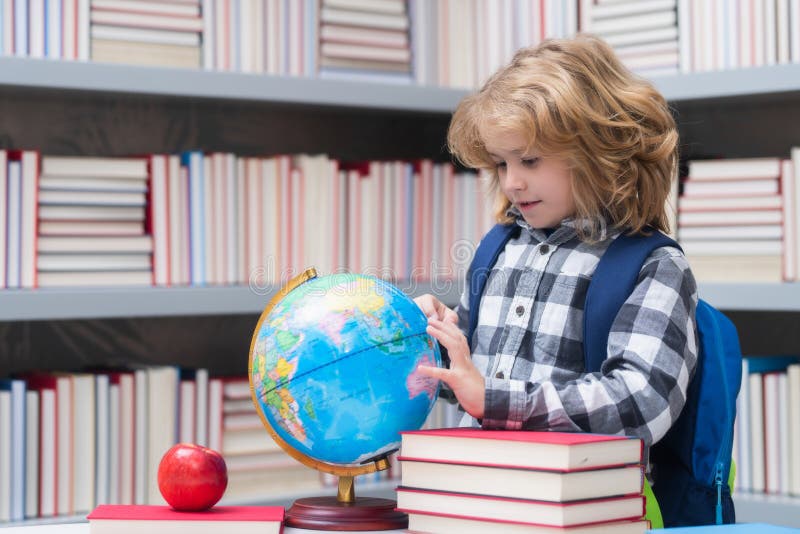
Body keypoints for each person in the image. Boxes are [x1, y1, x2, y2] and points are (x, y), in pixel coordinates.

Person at [415, 34, 696, 459]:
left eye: (529, 160)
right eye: (501, 163)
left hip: (582, 508)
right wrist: (429, 340)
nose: (511, 182)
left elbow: (642, 402)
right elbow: (468, 380)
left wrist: (494, 398)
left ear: (600, 151)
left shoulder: (652, 265)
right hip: (478, 489)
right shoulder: (499, 248)